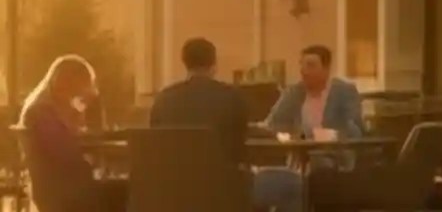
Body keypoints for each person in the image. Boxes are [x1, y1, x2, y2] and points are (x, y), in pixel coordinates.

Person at [150, 38, 301, 212]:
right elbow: (240, 145)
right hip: (225, 188)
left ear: (185, 62)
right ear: (214, 64)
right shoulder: (232, 96)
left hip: (173, 190)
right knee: (293, 184)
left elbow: (157, 141)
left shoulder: (163, 100)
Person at [19, 55, 127, 212]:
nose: (81, 94)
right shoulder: (42, 113)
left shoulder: (44, 109)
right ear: (66, 83)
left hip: (57, 190)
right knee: (126, 192)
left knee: (121, 189)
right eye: (81, 87)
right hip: (63, 193)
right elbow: (66, 155)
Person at [265, 45, 363, 142]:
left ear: (326, 69)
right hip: (300, 154)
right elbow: (272, 125)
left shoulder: (344, 92)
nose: (304, 71)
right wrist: (286, 136)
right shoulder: (294, 93)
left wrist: (325, 135)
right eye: (302, 65)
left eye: (311, 65)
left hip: (333, 154)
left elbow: (356, 131)